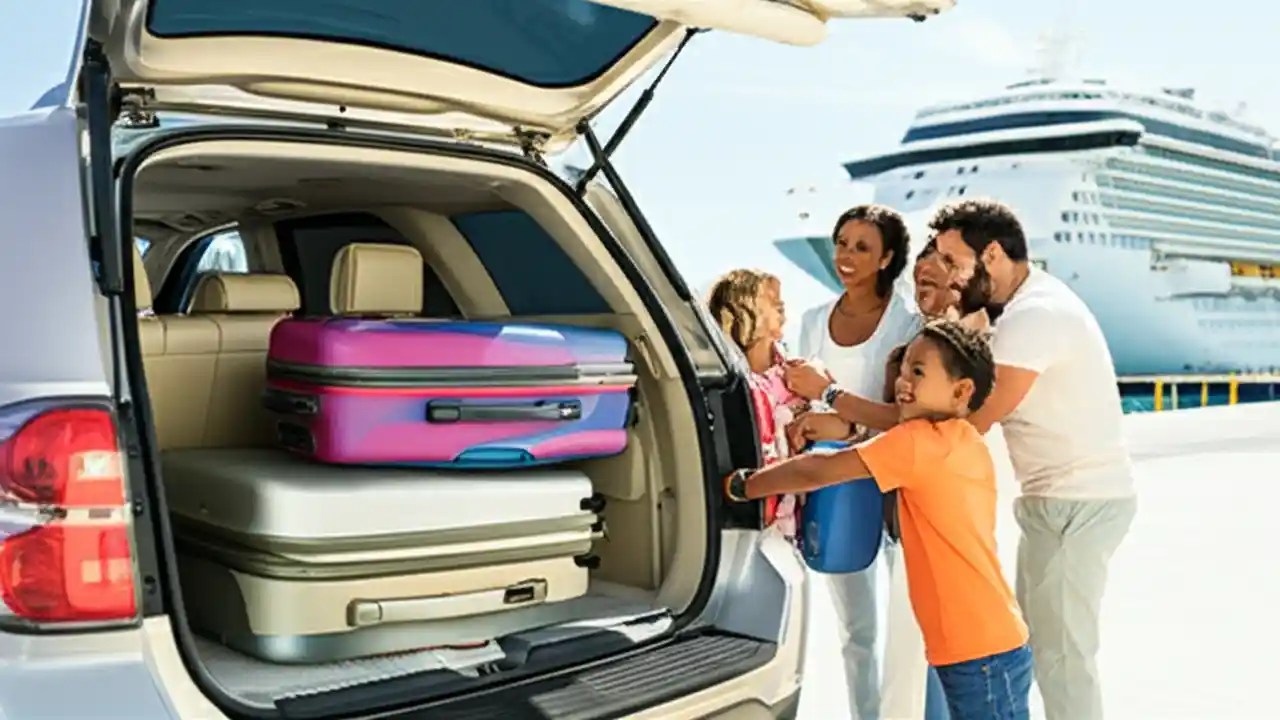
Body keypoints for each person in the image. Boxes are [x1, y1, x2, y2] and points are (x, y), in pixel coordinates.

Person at [790, 198, 1137, 720]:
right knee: (1041, 646)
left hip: (1077, 501)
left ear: (992, 255)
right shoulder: (1010, 311)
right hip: (1054, 501)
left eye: (954, 263)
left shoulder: (1033, 317)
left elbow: (956, 425)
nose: (947, 276)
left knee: (1063, 657)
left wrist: (840, 404)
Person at [726, 320, 1033, 720]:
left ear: (961, 391)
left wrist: (746, 486)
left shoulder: (918, 443)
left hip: (980, 655)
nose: (904, 381)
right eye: (904, 368)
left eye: (918, 372)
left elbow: (818, 470)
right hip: (991, 643)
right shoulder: (960, 440)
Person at [785, 204, 946, 720]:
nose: (846, 257)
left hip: (900, 486)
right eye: (841, 244)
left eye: (861, 247)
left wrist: (842, 422)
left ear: (887, 258)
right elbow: (801, 406)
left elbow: (908, 411)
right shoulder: (813, 322)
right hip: (838, 488)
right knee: (856, 630)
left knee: (913, 621)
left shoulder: (908, 323)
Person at [705, 268, 806, 538]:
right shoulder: (724, 384)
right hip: (743, 511)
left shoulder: (796, 374)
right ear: (742, 311)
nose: (782, 305)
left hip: (783, 517)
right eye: (772, 300)